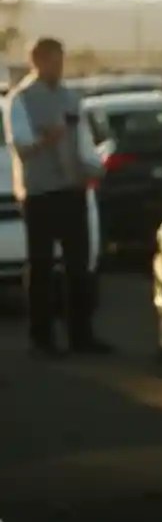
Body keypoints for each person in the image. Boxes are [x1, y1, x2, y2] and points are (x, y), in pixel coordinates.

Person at [3, 37, 110, 357]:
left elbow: (83, 142)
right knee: (42, 266)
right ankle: (42, 338)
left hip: (72, 190)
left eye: (61, 60)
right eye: (53, 60)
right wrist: (47, 139)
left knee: (78, 267)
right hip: (40, 193)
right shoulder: (21, 100)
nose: (58, 67)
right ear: (37, 60)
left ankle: (82, 335)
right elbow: (21, 145)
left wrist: (92, 168)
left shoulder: (70, 98)